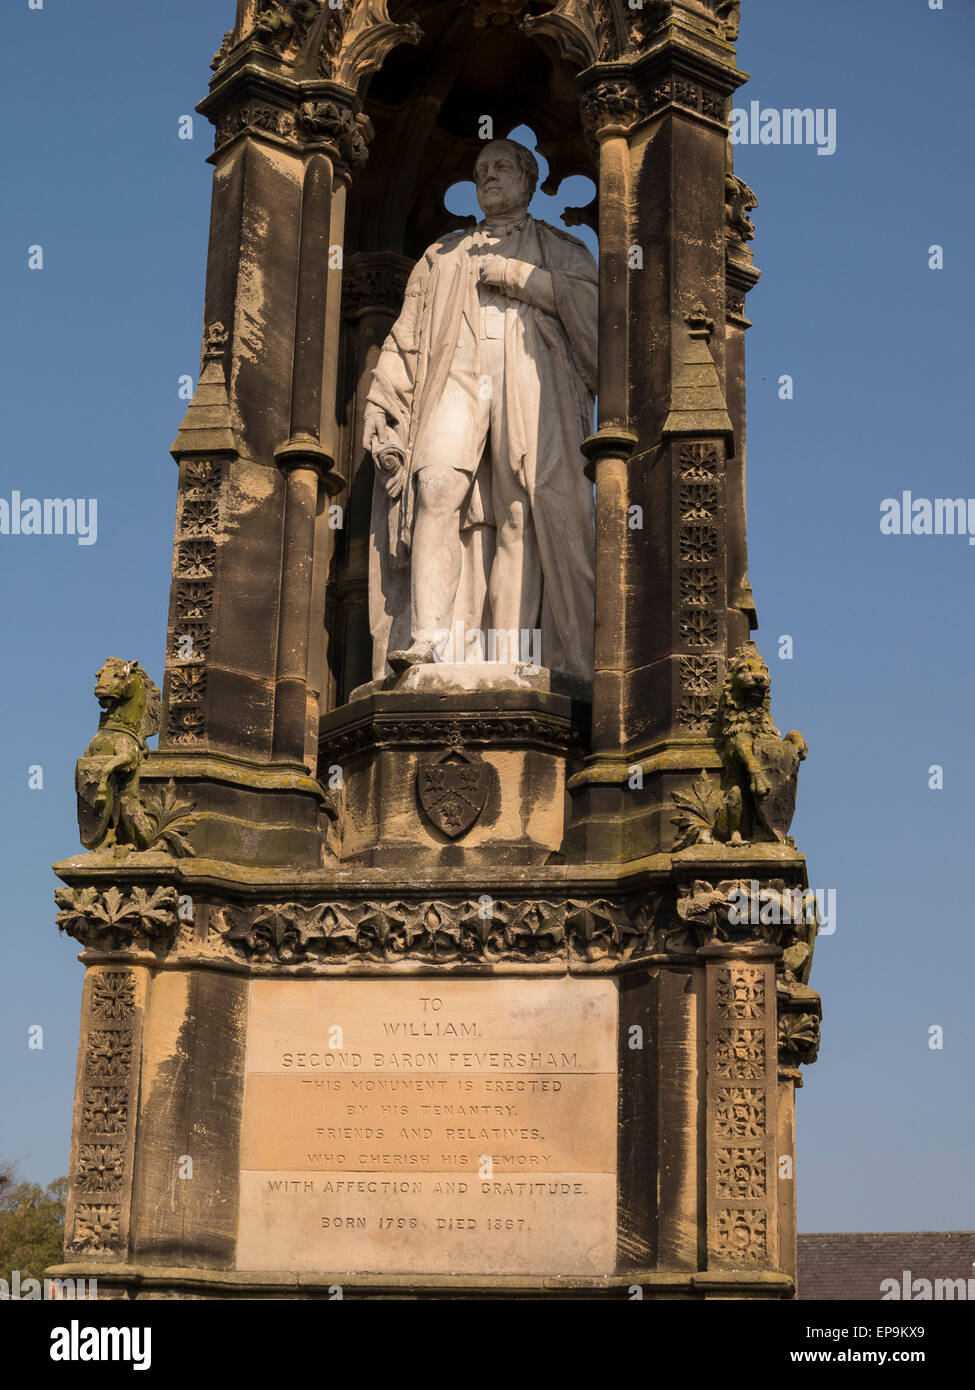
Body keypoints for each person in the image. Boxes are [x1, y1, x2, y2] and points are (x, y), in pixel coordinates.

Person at [365, 138, 597, 680]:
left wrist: (520, 278)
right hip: (458, 374)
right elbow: (408, 335)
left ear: (529, 179)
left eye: (501, 167)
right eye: (480, 169)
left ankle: (514, 655)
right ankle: (428, 640)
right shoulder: (443, 255)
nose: (489, 176)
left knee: (522, 509)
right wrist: (382, 398)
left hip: (528, 374)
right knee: (436, 486)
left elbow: (598, 319)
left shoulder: (560, 247)